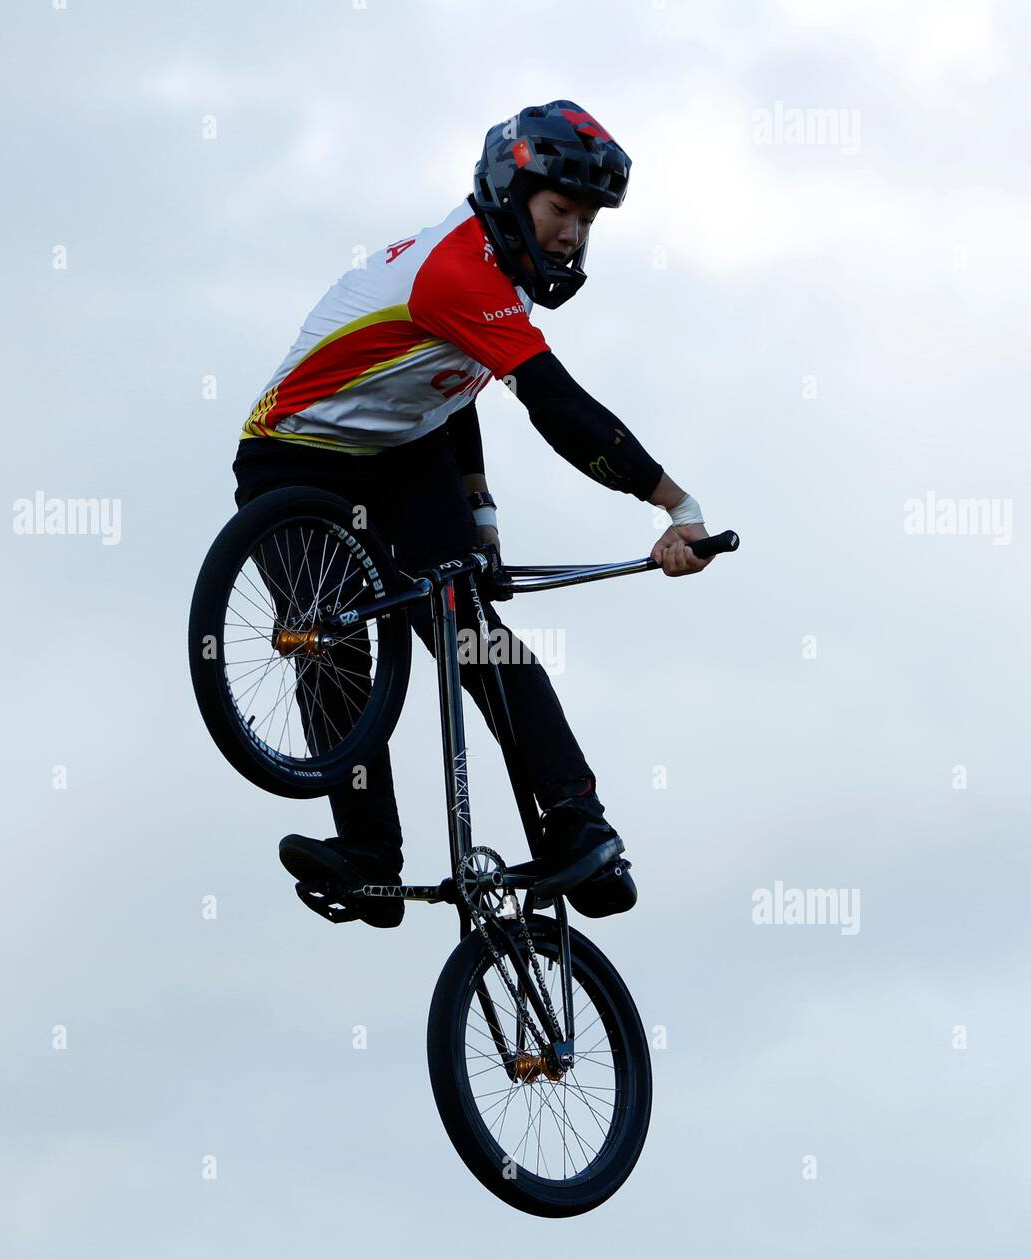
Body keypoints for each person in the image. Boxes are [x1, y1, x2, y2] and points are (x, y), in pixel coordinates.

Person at [230, 100, 714, 928]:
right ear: (509, 191)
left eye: (586, 219)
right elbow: (558, 409)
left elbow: (448, 389)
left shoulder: (492, 283)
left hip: (405, 458)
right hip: (294, 455)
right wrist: (676, 501)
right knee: (329, 643)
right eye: (561, 210)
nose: (572, 233)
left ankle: (578, 827)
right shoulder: (452, 270)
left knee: (475, 637)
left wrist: (480, 514)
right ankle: (369, 856)